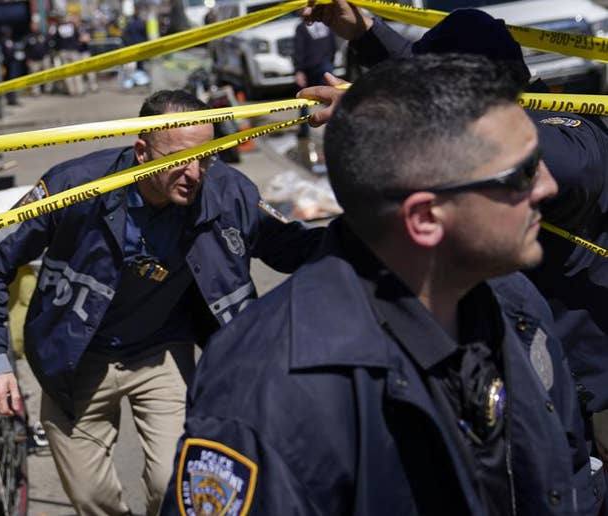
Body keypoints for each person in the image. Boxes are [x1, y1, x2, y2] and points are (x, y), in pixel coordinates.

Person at [161, 54, 602, 515]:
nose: (548, 186)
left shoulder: (514, 304)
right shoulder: (266, 389)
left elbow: (564, 471)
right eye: (522, 172)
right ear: (425, 218)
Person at [0, 90, 316, 515]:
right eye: (179, 159)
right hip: (72, 358)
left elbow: (291, 245)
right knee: (91, 498)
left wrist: (371, 229)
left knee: (177, 484)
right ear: (143, 152)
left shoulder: (226, 192)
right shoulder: (74, 186)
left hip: (161, 351)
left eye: (205, 157)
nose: (193, 173)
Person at [300, 1, 608, 475]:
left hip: (593, 383)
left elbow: (561, 166)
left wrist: (398, 114)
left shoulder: (571, 132)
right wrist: (365, 30)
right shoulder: (489, 112)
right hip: (529, 374)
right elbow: (438, 84)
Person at [292, 10, 336, 172]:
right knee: (304, 99)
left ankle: (333, 126)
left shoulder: (323, 26)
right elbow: (299, 50)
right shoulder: (302, 29)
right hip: (311, 67)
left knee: (329, 98)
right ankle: (304, 127)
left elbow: (332, 43)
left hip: (322, 65)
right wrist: (299, 70)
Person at [53, 14, 86, 96]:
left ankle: (72, 91)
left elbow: (55, 40)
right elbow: (79, 37)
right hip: (73, 51)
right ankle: (79, 90)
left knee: (68, 73)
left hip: (63, 52)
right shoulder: (72, 27)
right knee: (77, 71)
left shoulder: (58, 28)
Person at [23, 19, 52, 96]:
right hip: (33, 60)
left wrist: (48, 55)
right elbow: (25, 49)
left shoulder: (42, 35)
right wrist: (28, 59)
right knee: (35, 77)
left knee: (48, 74)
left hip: (44, 58)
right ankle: (36, 92)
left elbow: (48, 45)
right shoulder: (28, 37)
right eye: (33, 26)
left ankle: (48, 89)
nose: (34, 27)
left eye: (36, 25)